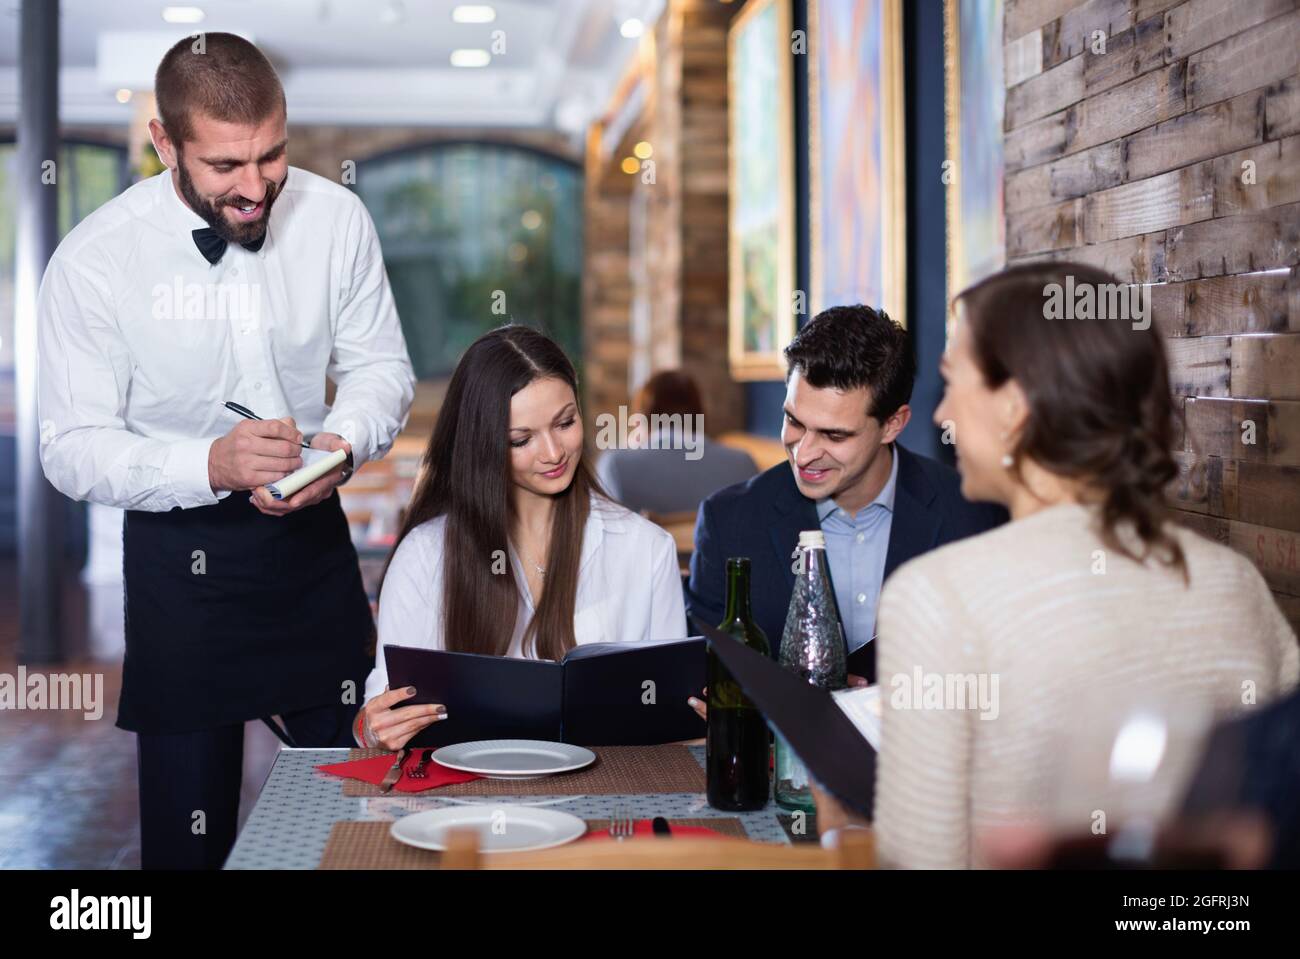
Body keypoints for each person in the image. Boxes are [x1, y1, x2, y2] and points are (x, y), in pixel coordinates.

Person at [36, 34, 415, 869]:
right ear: (164, 145)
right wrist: (208, 464)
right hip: (180, 570)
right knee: (185, 841)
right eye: (224, 166)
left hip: (314, 551)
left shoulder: (335, 217)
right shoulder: (95, 262)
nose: (255, 187)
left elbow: (382, 368)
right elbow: (69, 448)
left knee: (361, 803)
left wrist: (341, 446)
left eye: (272, 155)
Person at [835, 262, 1298, 868]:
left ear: (1015, 407)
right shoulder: (1236, 584)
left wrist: (836, 812)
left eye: (954, 383)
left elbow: (919, 859)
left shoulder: (938, 595)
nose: (943, 414)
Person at [356, 325, 687, 750]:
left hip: (607, 797)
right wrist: (374, 727)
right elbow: (380, 708)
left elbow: (667, 725)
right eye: (521, 439)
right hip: (465, 802)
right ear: (482, 445)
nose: (553, 453)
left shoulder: (645, 549)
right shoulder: (425, 555)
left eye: (565, 423)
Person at [685, 305, 1005, 689]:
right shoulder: (728, 521)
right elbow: (704, 678)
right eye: (794, 421)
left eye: (834, 436)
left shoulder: (974, 515)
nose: (803, 454)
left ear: (893, 424)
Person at [595, 369, 757, 515]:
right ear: (700, 415)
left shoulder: (616, 467)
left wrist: (630, 448)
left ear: (642, 419)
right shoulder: (743, 465)